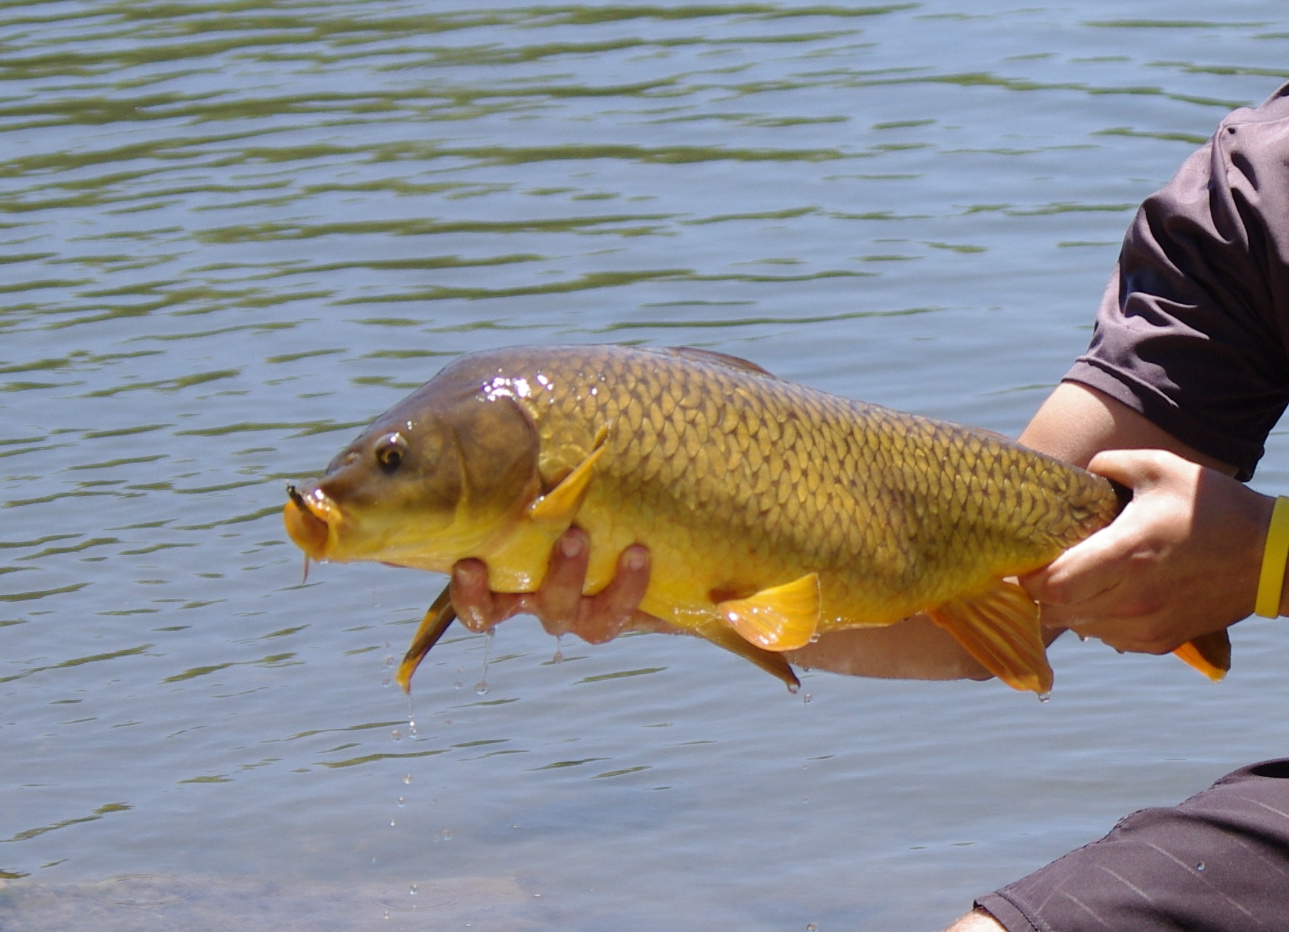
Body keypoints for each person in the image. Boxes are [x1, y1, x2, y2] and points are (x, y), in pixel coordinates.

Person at [452, 83, 1289, 930]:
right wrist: (674, 586)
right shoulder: (1249, 195)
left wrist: (1272, 559)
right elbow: (978, 568)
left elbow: (1254, 555)